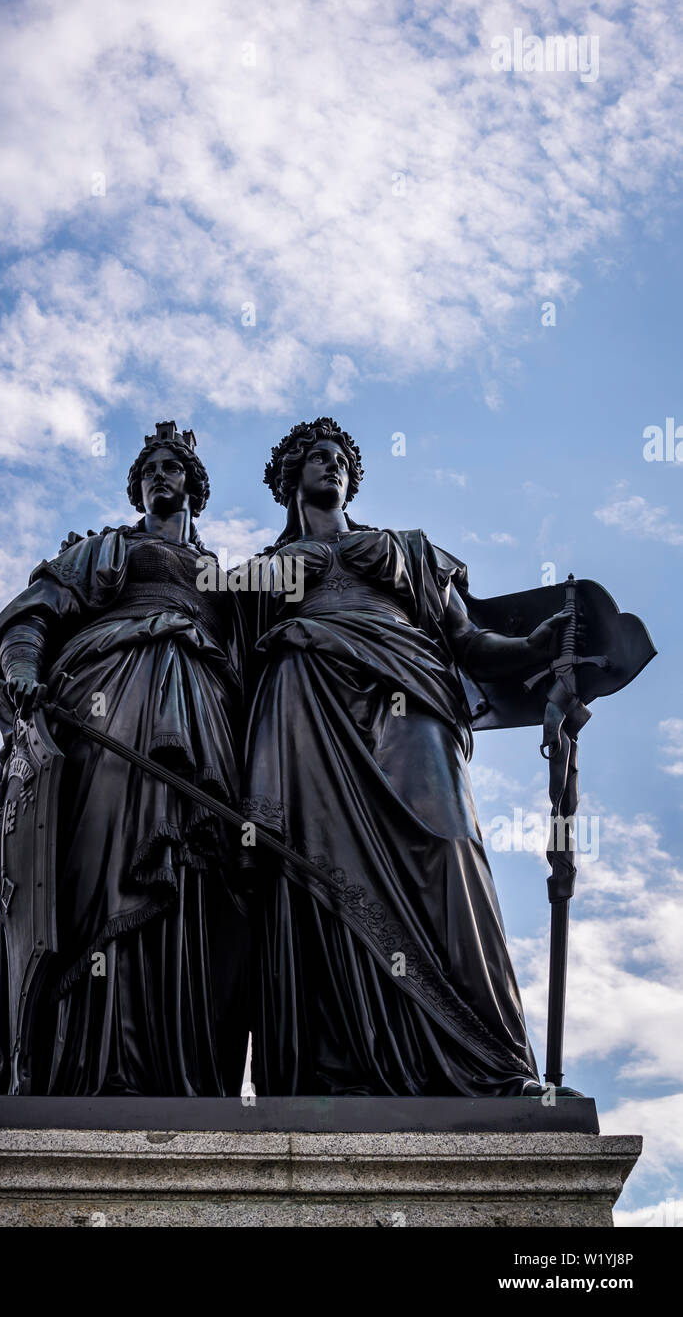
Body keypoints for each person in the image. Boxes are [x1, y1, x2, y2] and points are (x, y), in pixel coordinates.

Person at [240, 417, 568, 1097]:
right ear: (288, 478)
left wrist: (535, 648)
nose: (331, 467)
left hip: (406, 686)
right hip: (302, 697)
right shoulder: (254, 575)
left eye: (340, 460)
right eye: (316, 459)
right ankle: (335, 1067)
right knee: (311, 866)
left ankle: (489, 1063)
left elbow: (468, 644)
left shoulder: (407, 549)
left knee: (446, 848)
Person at [0, 422, 249, 1096]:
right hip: (106, 706)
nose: (161, 475)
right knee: (107, 872)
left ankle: (181, 1068)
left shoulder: (228, 580)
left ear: (195, 485)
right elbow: (28, 619)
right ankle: (94, 1067)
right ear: (137, 486)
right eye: (150, 468)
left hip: (202, 722)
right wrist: (23, 675)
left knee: (193, 873)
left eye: (174, 466)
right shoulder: (104, 550)